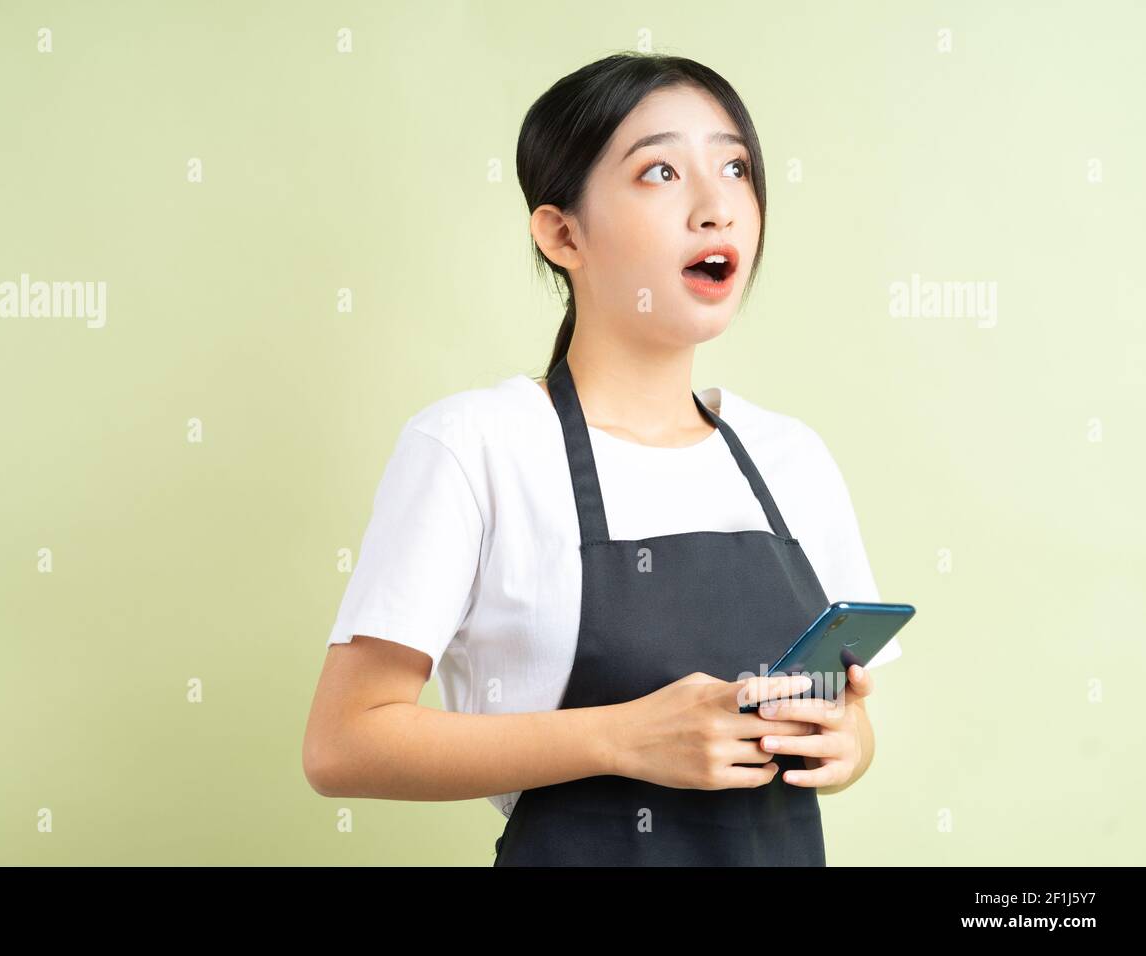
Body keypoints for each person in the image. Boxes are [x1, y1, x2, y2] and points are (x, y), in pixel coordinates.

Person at [304, 51, 903, 866]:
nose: (716, 206)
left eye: (734, 167)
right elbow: (343, 744)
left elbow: (849, 731)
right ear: (562, 233)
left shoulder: (791, 457)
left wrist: (844, 742)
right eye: (660, 171)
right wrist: (622, 738)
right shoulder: (476, 446)